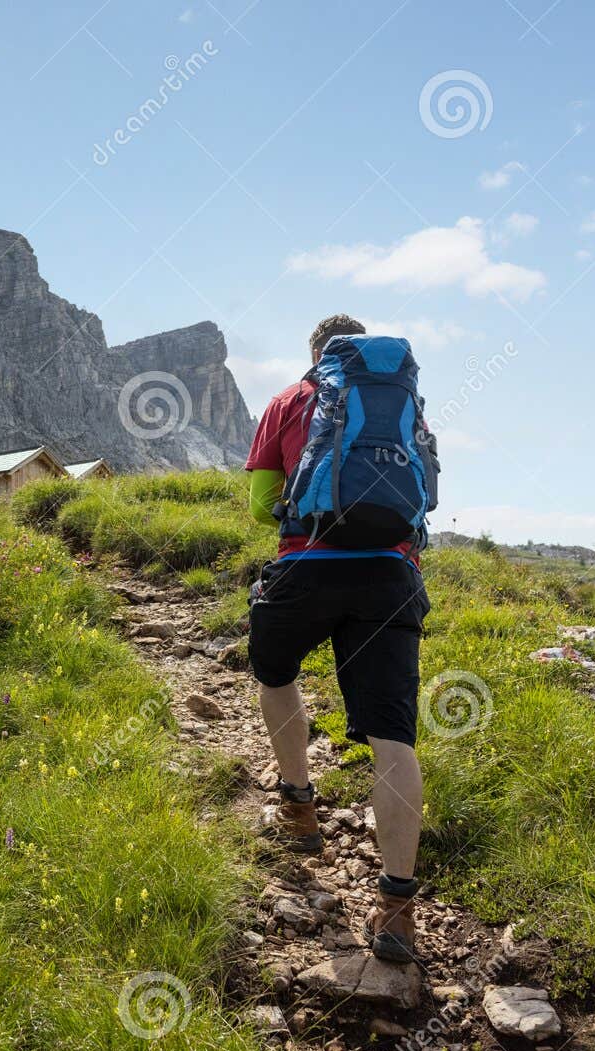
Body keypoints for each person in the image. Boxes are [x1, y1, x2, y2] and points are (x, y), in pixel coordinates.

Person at [243, 314, 431, 964]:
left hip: (307, 567)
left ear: (316, 354)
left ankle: (299, 804)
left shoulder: (289, 401)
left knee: (275, 669)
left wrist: (308, 509)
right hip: (390, 576)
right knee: (393, 737)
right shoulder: (405, 403)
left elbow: (262, 500)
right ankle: (398, 907)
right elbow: (425, 488)